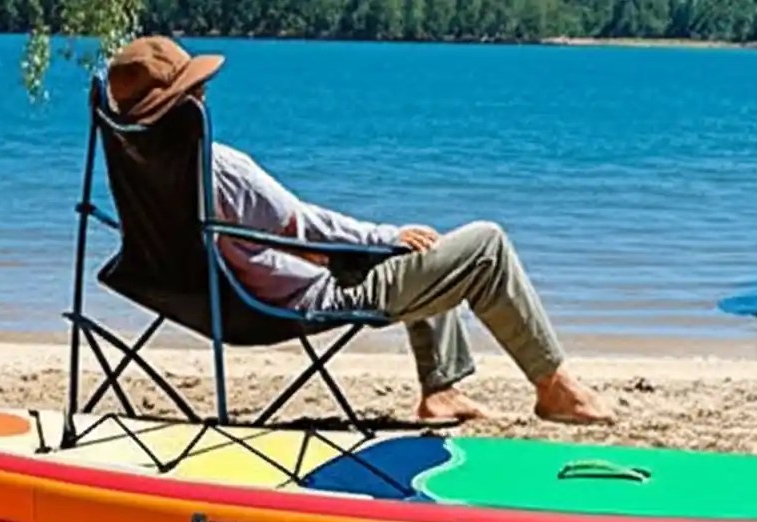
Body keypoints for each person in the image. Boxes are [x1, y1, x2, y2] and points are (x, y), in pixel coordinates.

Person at [104, 35, 614, 425]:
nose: (205, 93)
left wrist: (385, 243)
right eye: (198, 89)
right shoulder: (219, 168)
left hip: (213, 301)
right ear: (187, 101)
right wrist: (380, 238)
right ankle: (555, 387)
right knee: (485, 245)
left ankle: (442, 391)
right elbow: (302, 227)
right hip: (301, 300)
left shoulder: (144, 170)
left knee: (422, 248)